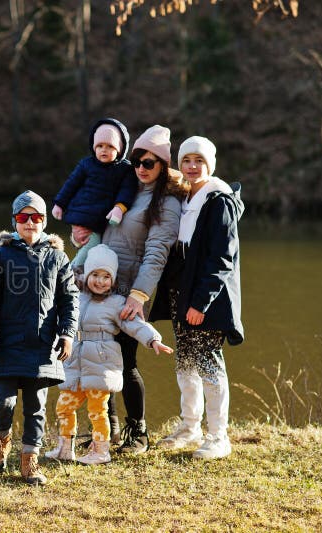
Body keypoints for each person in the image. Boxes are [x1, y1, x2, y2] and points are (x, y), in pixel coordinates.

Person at [73, 125, 189, 454]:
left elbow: (157, 252)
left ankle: (138, 433)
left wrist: (139, 297)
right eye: (137, 160)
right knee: (98, 357)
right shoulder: (128, 188)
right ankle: (104, 431)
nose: (141, 168)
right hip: (100, 286)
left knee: (124, 358)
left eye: (149, 163)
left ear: (163, 166)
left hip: (131, 291)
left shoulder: (166, 202)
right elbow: (101, 227)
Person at [149, 135, 244, 460]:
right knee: (185, 362)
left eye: (199, 161)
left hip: (207, 298)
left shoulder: (219, 201)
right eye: (186, 160)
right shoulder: (185, 196)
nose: (191, 166)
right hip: (181, 292)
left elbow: (221, 259)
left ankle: (218, 437)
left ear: (210, 165)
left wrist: (200, 303)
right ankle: (189, 427)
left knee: (209, 364)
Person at [0, 190, 79, 485]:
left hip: (42, 347)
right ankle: (1, 440)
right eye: (23, 217)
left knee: (36, 408)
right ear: (15, 221)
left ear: (44, 221)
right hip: (6, 345)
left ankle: (30, 459)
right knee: (3, 402)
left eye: (36, 217)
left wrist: (67, 333)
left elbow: (70, 300)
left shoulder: (58, 258)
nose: (30, 222)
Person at [44, 244, 173, 465]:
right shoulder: (75, 297)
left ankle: (101, 450)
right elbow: (58, 318)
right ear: (86, 275)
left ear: (112, 280)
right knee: (64, 406)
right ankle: (65, 447)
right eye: (95, 274)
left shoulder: (116, 303)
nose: (100, 281)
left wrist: (153, 339)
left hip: (101, 365)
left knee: (97, 411)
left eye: (106, 276)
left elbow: (135, 324)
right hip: (75, 364)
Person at [51, 118, 138, 271]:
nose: (104, 150)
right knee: (92, 242)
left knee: (93, 244)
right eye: (100, 146)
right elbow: (71, 184)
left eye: (110, 146)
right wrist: (60, 203)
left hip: (100, 217)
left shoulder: (125, 170)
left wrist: (120, 207)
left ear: (120, 149)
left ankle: (71, 271)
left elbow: (127, 190)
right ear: (93, 147)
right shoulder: (86, 164)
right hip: (81, 212)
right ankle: (72, 270)